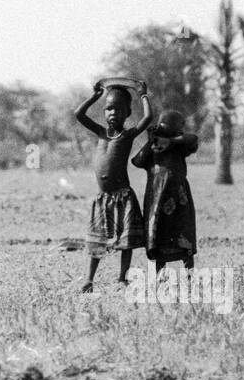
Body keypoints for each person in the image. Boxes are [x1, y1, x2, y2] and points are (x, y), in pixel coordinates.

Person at [74, 80, 151, 290]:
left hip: (123, 196)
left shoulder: (127, 135)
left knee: (126, 241)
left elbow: (147, 118)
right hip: (103, 198)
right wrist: (94, 96)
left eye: (118, 109)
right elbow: (79, 115)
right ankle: (89, 280)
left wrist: (143, 95)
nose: (113, 113)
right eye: (108, 108)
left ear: (127, 113)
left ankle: (122, 277)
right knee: (97, 240)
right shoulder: (100, 132)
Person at [131, 109, 199, 272]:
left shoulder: (179, 147)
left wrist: (172, 141)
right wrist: (151, 141)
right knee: (158, 235)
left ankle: (189, 274)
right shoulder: (153, 149)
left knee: (184, 234)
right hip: (157, 198)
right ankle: (160, 276)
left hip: (179, 198)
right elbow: (137, 161)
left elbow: (193, 139)